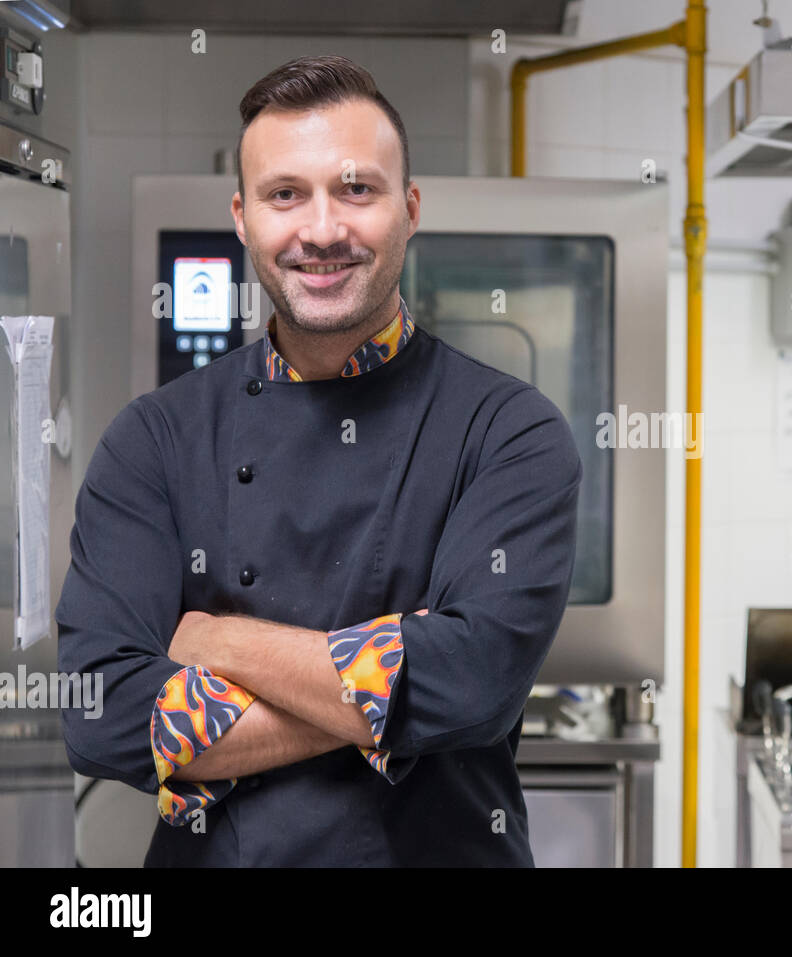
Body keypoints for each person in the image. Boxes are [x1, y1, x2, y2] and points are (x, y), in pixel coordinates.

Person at [55, 55, 582, 866]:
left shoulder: (509, 431)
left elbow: (471, 683)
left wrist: (220, 642)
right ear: (242, 216)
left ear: (409, 207)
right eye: (285, 194)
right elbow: (101, 713)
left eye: (357, 190)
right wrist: (386, 692)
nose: (324, 229)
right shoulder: (155, 438)